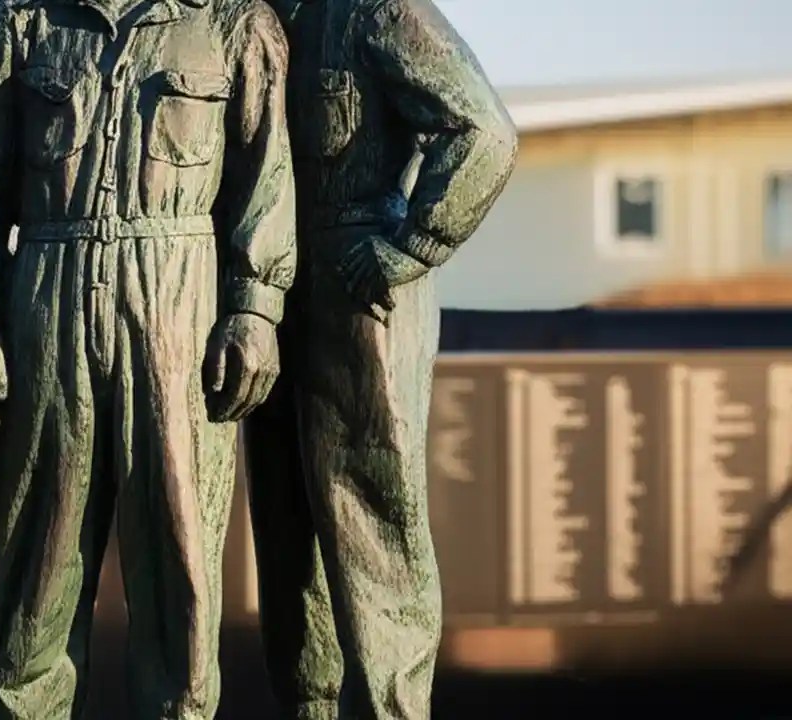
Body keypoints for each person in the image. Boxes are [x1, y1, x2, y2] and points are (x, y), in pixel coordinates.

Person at [0, 0, 299, 715]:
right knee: (35, 584)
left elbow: (266, 176)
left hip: (179, 315)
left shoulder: (234, 23)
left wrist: (256, 307)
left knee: (181, 580)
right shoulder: (20, 22)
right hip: (45, 304)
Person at [245, 0, 518, 717]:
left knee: (371, 515)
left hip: (358, 291)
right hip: (267, 293)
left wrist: (414, 244)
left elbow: (484, 131)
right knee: (287, 526)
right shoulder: (254, 17)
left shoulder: (379, 12)